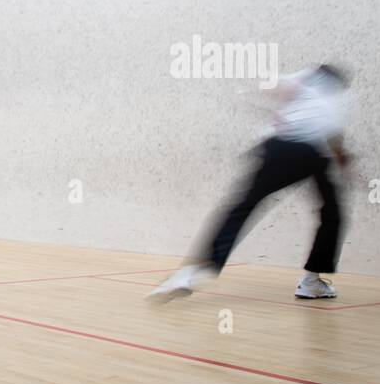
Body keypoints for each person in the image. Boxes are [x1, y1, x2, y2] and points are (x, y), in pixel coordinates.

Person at [151, 63, 352, 300]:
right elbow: (333, 135)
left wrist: (283, 104)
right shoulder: (338, 96)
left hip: (276, 148)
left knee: (242, 207)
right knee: (333, 214)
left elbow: (275, 86)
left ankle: (189, 273)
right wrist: (342, 160)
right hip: (310, 154)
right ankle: (311, 281)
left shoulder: (305, 78)